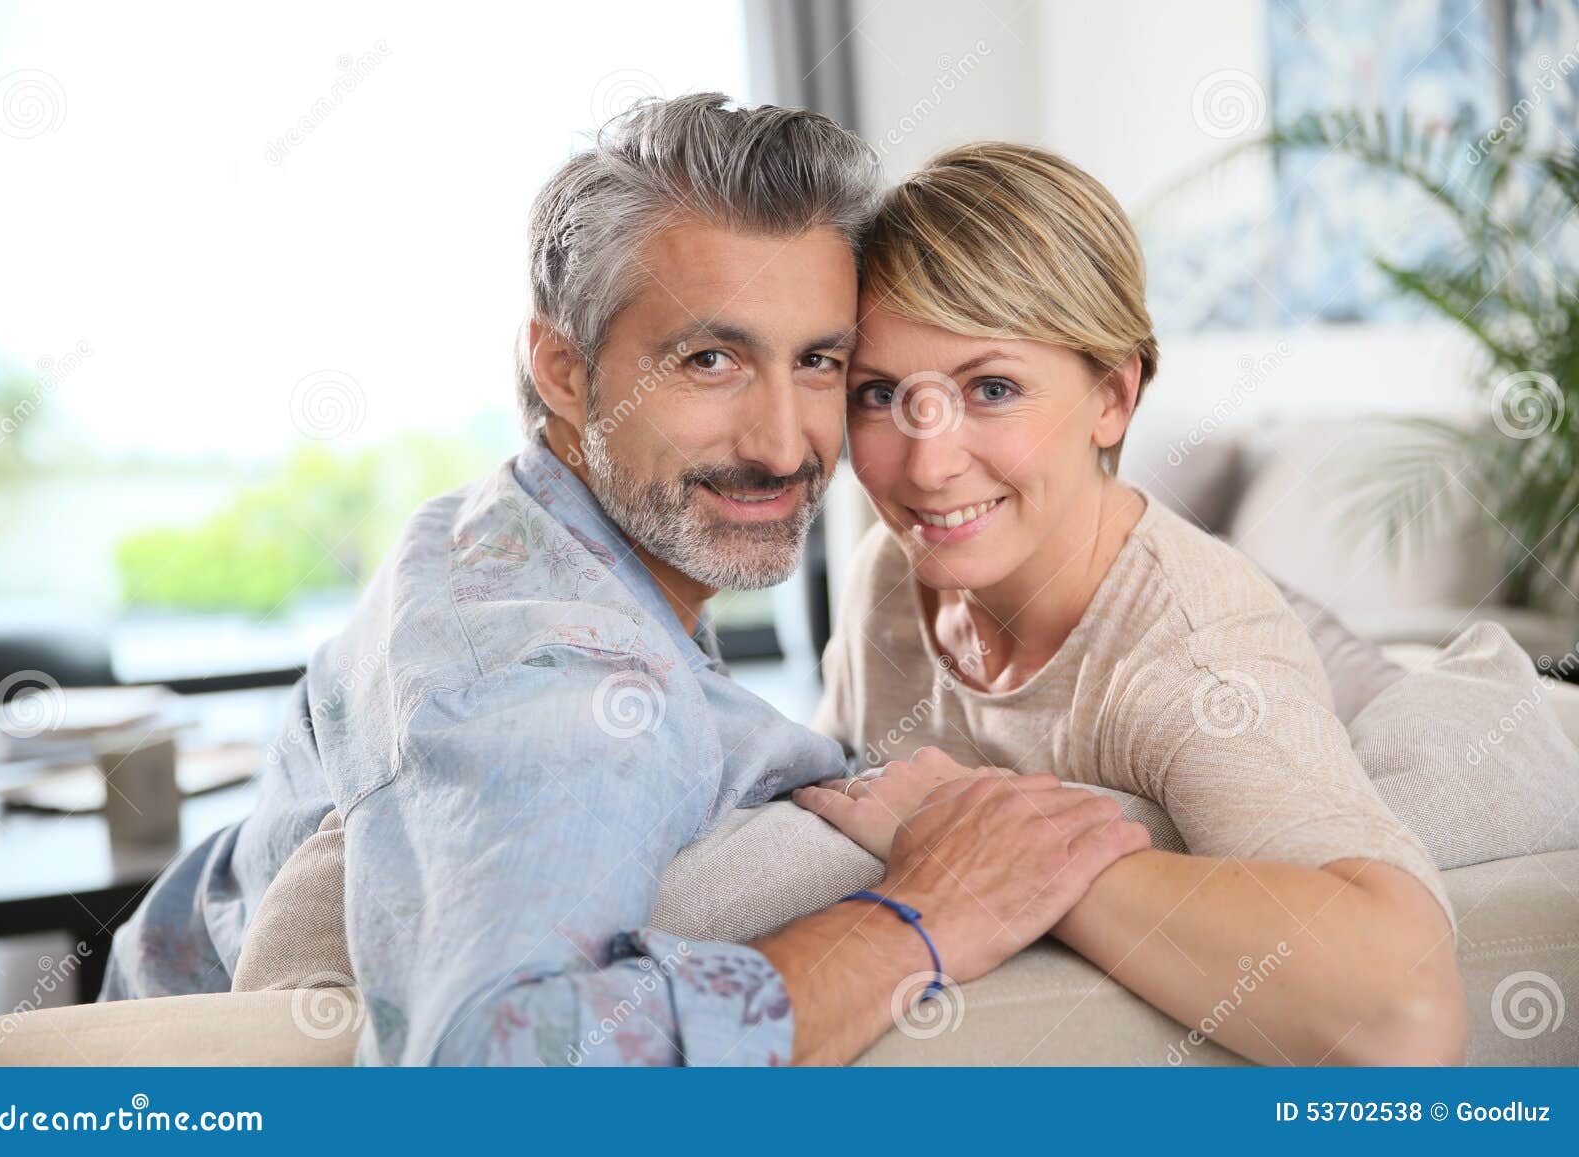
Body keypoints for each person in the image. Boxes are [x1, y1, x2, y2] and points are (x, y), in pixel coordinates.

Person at [99, 96, 1152, 1066]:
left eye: (818, 362)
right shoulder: (562, 678)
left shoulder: (510, 528)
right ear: (563, 369)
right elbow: (488, 1077)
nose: (783, 444)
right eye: (709, 360)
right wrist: (915, 919)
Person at [799, 142, 1468, 1065]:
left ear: (1113, 396)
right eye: (879, 394)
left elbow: (1407, 1011)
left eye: (991, 388)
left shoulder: (1192, 657)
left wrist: (991, 850)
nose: (928, 463)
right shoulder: (887, 572)